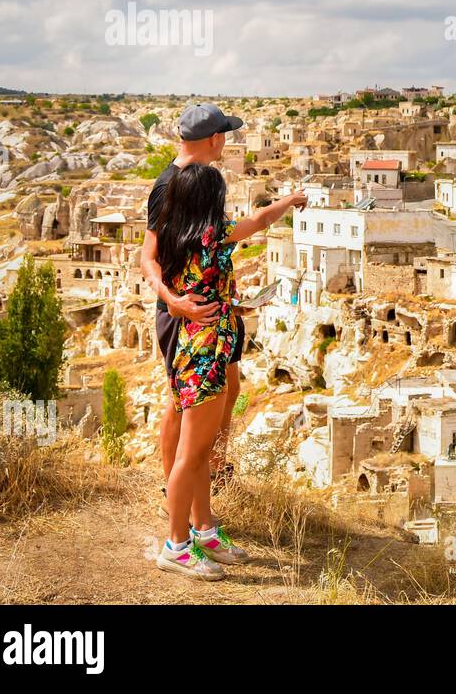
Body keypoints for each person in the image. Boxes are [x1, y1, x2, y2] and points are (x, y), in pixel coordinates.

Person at [154, 163, 306, 580]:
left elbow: (193, 291)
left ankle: (202, 533)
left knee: (200, 450)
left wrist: (230, 306)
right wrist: (290, 201)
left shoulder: (174, 238)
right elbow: (259, 221)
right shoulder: (210, 235)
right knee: (191, 454)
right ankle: (176, 545)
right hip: (204, 355)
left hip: (194, 346)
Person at [141, 104, 244, 514]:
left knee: (228, 388)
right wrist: (173, 302)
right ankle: (177, 490)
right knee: (180, 402)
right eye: (225, 135)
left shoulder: (201, 182)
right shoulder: (168, 185)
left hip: (212, 313)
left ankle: (206, 471)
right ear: (215, 139)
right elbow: (147, 257)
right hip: (183, 312)